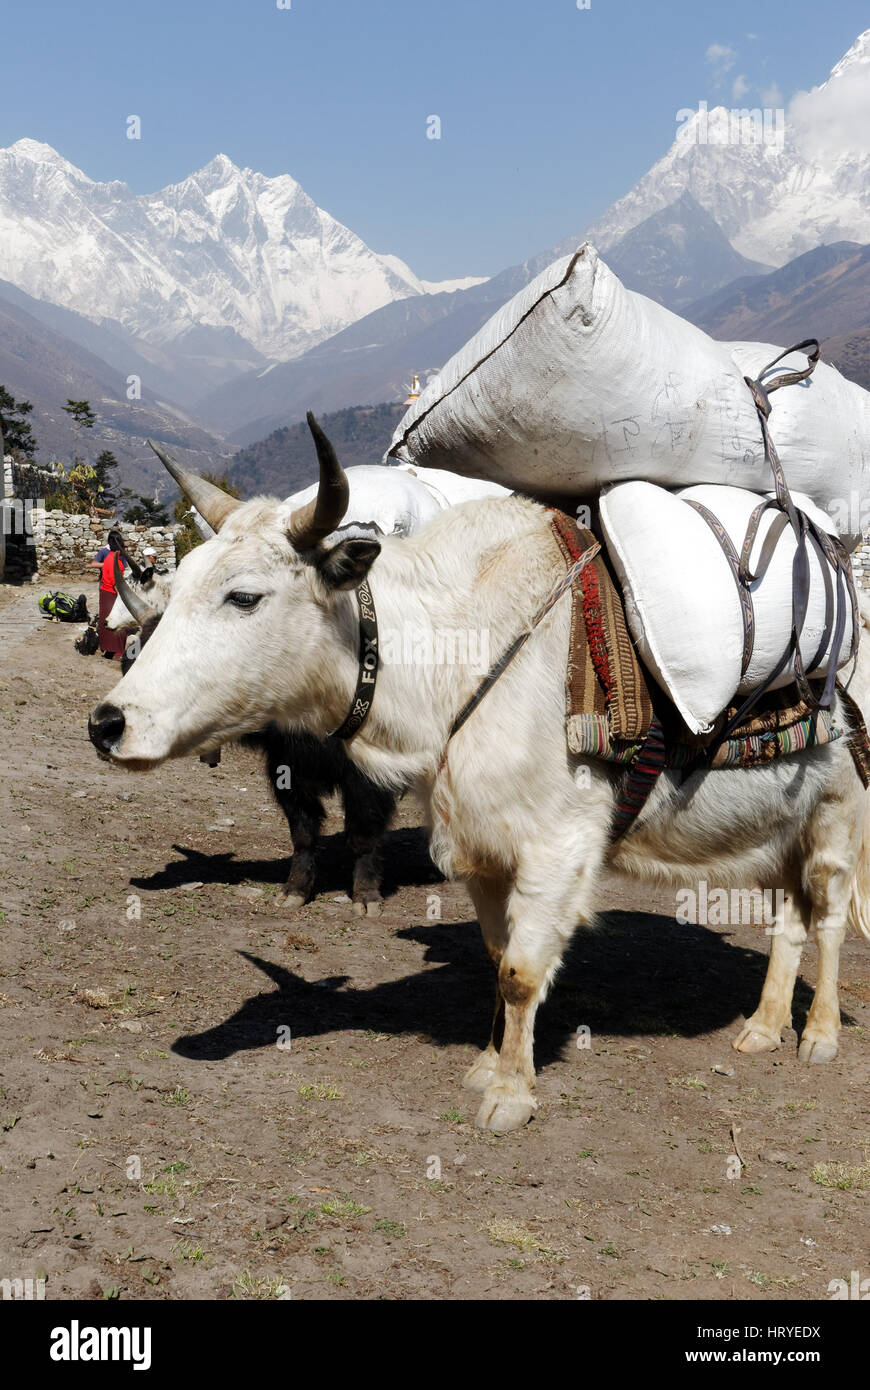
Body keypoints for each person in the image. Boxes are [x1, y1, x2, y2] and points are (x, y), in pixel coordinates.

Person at [97, 529, 128, 660]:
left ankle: (106, 647)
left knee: (105, 619)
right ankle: (118, 651)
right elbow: (116, 582)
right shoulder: (116, 561)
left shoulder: (109, 557)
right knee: (117, 622)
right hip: (112, 594)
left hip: (104, 593)